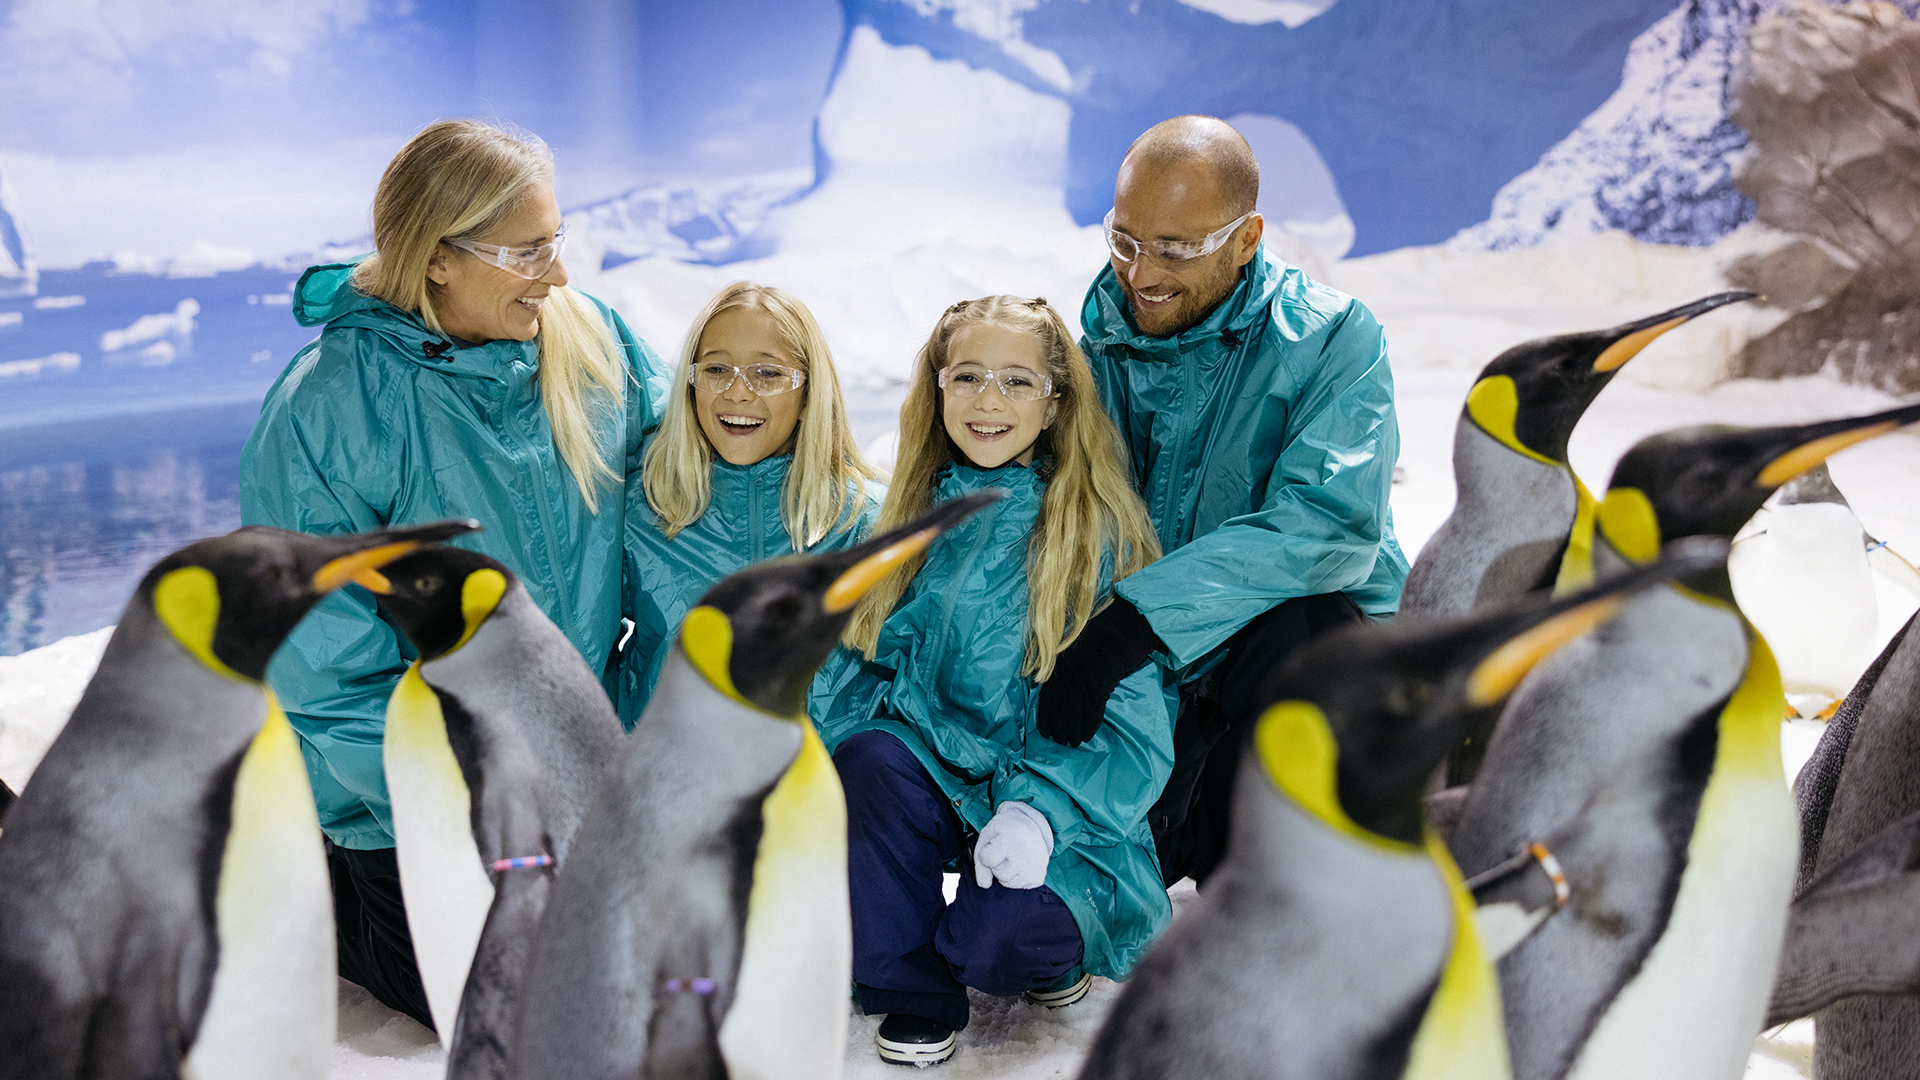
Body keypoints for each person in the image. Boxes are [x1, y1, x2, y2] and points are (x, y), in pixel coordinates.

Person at [238, 119, 670, 1029]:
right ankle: (268, 879)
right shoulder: (329, 406)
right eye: (528, 252)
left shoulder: (591, 344)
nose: (556, 274)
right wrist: (473, 803)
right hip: (410, 793)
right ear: (439, 258)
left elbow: (690, 499)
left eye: (558, 240)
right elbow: (323, 671)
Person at [1038, 115, 1408, 887]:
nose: (1141, 274)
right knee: (1065, 899)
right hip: (1157, 682)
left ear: (1246, 240)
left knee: (1307, 628)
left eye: (1176, 249)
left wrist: (1139, 617)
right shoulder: (1098, 340)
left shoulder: (1335, 338)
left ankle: (1290, 904)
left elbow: (1329, 527)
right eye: (1126, 240)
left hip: (1279, 670)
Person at [812, 295, 1171, 1068]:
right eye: (967, 376)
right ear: (937, 390)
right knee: (869, 761)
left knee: (994, 947)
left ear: (1055, 403)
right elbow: (848, 681)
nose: (987, 401)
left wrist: (1038, 816)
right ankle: (910, 989)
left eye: (1016, 381)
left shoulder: (1095, 533)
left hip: (1060, 803)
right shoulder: (901, 522)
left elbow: (1133, 728)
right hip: (940, 771)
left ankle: (1041, 951)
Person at [614, 280, 883, 724]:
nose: (738, 392)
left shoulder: (871, 524)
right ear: (691, 384)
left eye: (768, 373)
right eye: (717, 370)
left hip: (825, 786)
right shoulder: (642, 512)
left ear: (808, 394)